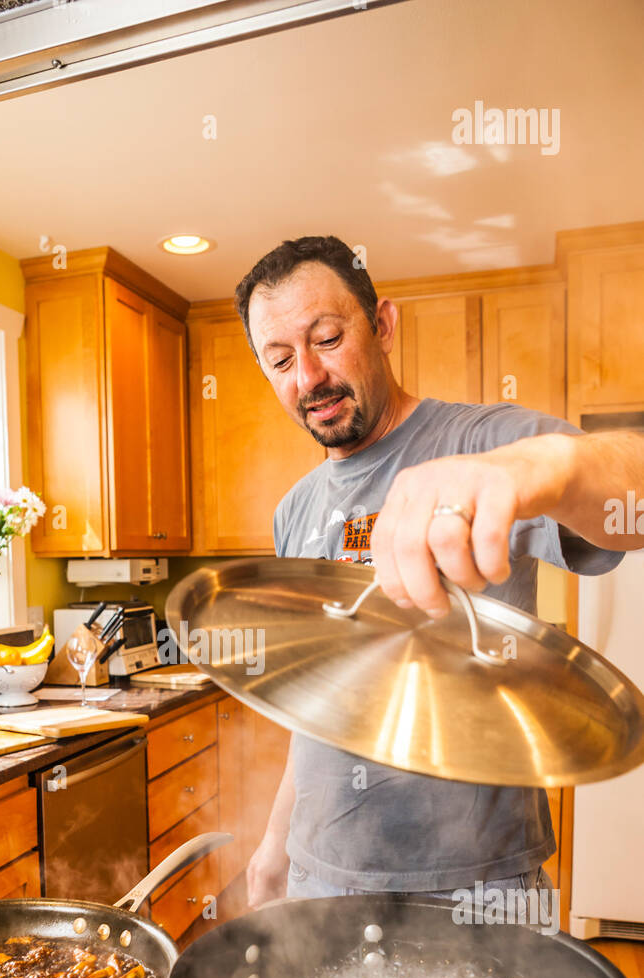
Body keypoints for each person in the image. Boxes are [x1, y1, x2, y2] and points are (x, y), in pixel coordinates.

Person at [234, 235, 644, 915]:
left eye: (327, 338)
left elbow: (635, 494)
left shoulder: (485, 444)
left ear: (383, 326)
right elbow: (312, 700)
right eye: (280, 360)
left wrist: (530, 471)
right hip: (322, 877)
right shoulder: (295, 510)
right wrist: (276, 842)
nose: (307, 378)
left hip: (481, 883)